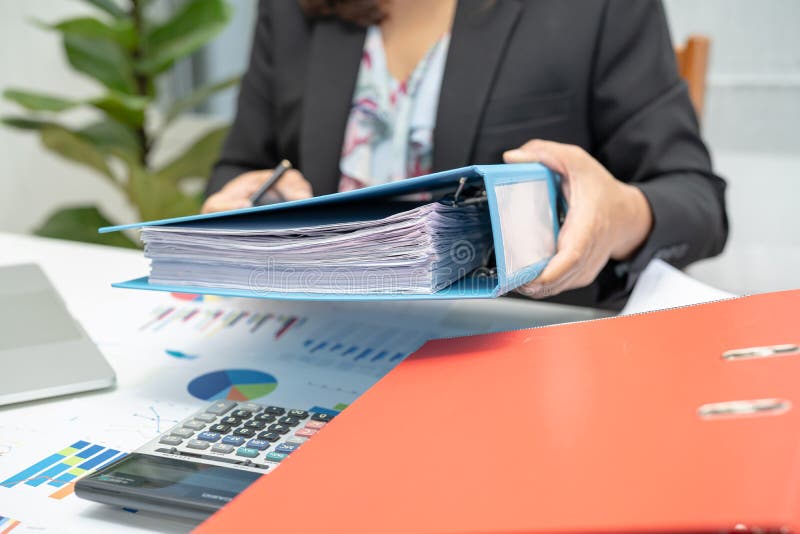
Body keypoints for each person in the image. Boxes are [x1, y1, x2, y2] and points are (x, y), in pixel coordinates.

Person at [203, 0, 728, 309]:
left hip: (514, 363)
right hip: (316, 342)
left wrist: (618, 216)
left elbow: (696, 198)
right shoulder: (292, 10)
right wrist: (243, 202)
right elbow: (240, 167)